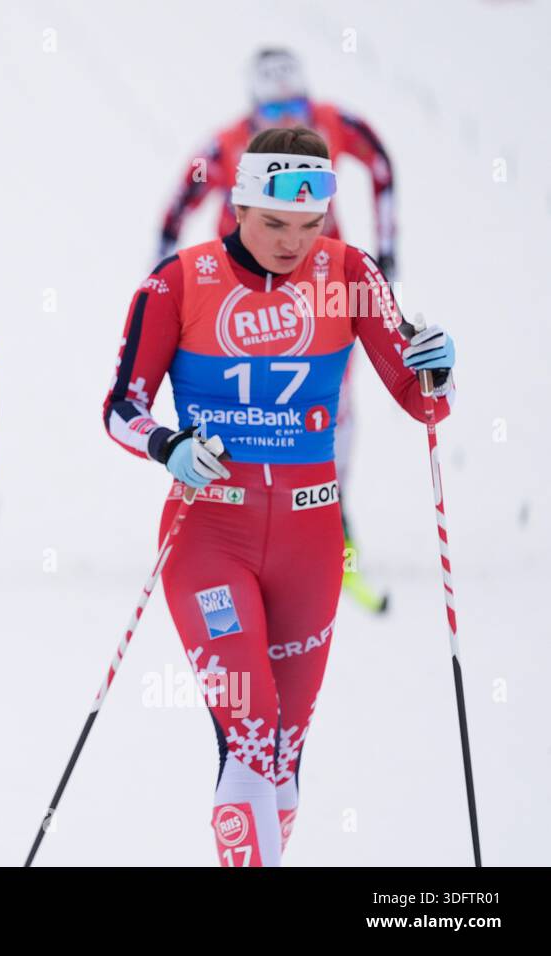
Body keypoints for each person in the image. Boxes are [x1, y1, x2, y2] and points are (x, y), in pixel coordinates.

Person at [103, 127, 455, 866]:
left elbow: (421, 403)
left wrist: (437, 370)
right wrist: (168, 445)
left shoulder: (351, 273)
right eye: (274, 223)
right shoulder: (180, 281)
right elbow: (121, 407)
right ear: (239, 206)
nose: (293, 243)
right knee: (253, 733)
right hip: (209, 538)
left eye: (310, 224)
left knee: (284, 762)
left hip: (312, 540)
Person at [156, 48, 399, 611]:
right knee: (246, 403)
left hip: (321, 285)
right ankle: (239, 530)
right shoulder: (228, 145)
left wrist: (387, 251)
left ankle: (334, 525)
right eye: (273, 109)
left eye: (296, 104)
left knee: (332, 404)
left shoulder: (330, 125)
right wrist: (161, 283)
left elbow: (381, 162)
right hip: (236, 293)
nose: (287, 120)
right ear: (253, 109)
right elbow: (176, 207)